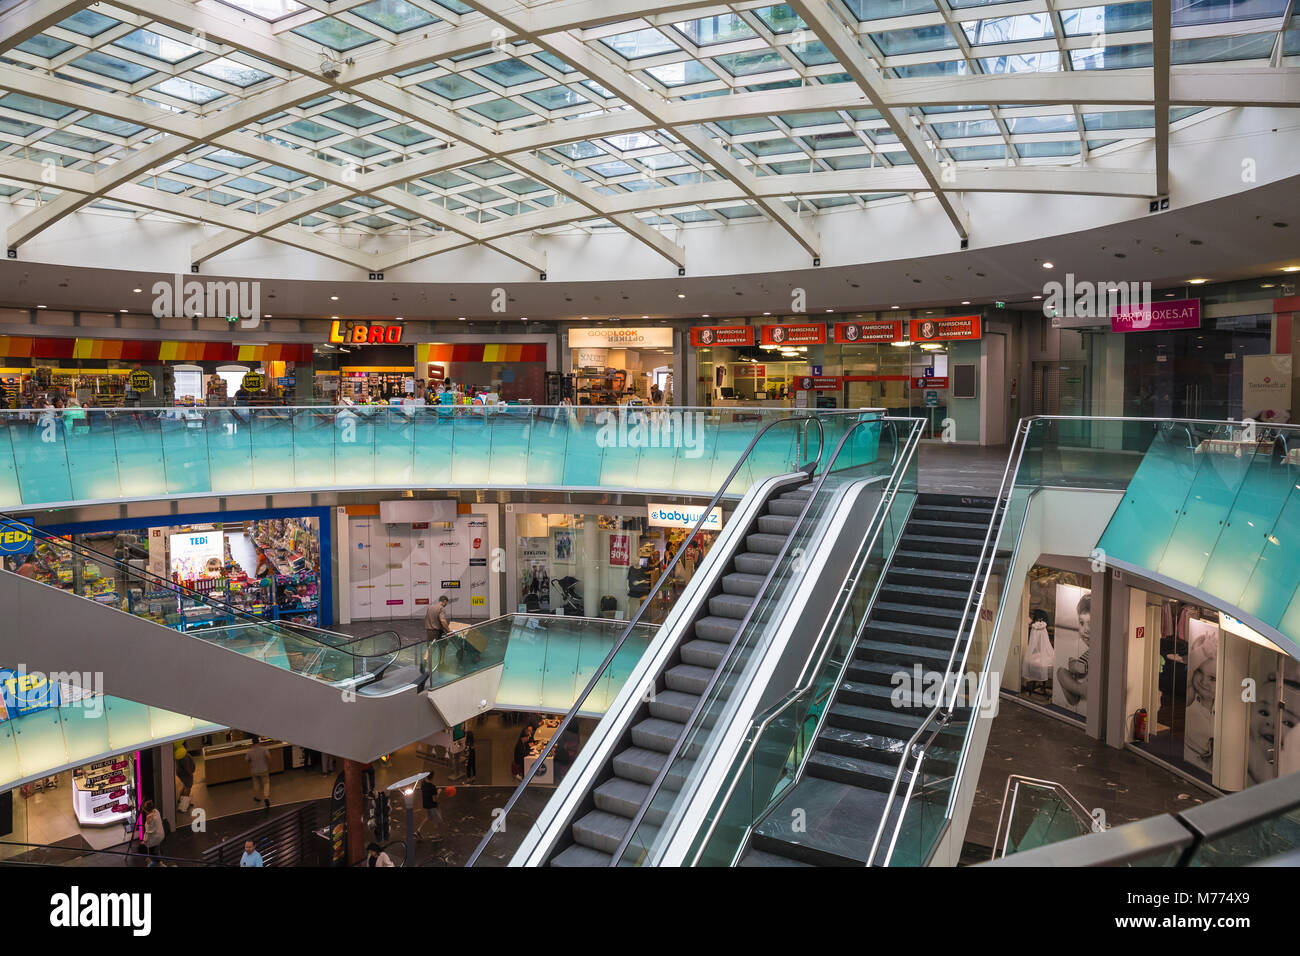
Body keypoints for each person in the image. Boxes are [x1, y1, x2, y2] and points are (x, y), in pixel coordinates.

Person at [246, 738, 271, 808]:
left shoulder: (249, 751)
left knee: (256, 783)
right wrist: (267, 763)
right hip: (264, 769)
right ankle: (266, 797)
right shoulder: (264, 749)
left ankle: (257, 797)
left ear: (252, 743)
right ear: (259, 742)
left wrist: (251, 763)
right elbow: (269, 757)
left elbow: (247, 760)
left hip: (254, 770)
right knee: (266, 783)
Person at [416, 776, 442, 842]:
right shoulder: (432, 786)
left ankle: (418, 830)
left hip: (426, 804)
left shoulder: (423, 784)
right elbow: (435, 799)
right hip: (432, 806)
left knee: (428, 817)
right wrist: (438, 792)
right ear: (432, 778)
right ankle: (437, 836)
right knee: (435, 820)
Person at [141, 800, 165, 865]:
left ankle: (155, 862)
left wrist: (144, 841)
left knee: (141, 848)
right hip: (162, 835)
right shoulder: (156, 811)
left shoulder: (149, 818)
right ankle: (158, 860)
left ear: (146, 810)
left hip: (155, 838)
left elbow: (148, 832)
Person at [174, 742, 196, 812]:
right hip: (186, 774)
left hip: (181, 773)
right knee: (188, 788)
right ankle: (183, 806)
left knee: (184, 787)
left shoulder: (178, 754)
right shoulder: (183, 756)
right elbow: (186, 767)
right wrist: (190, 774)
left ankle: (181, 801)